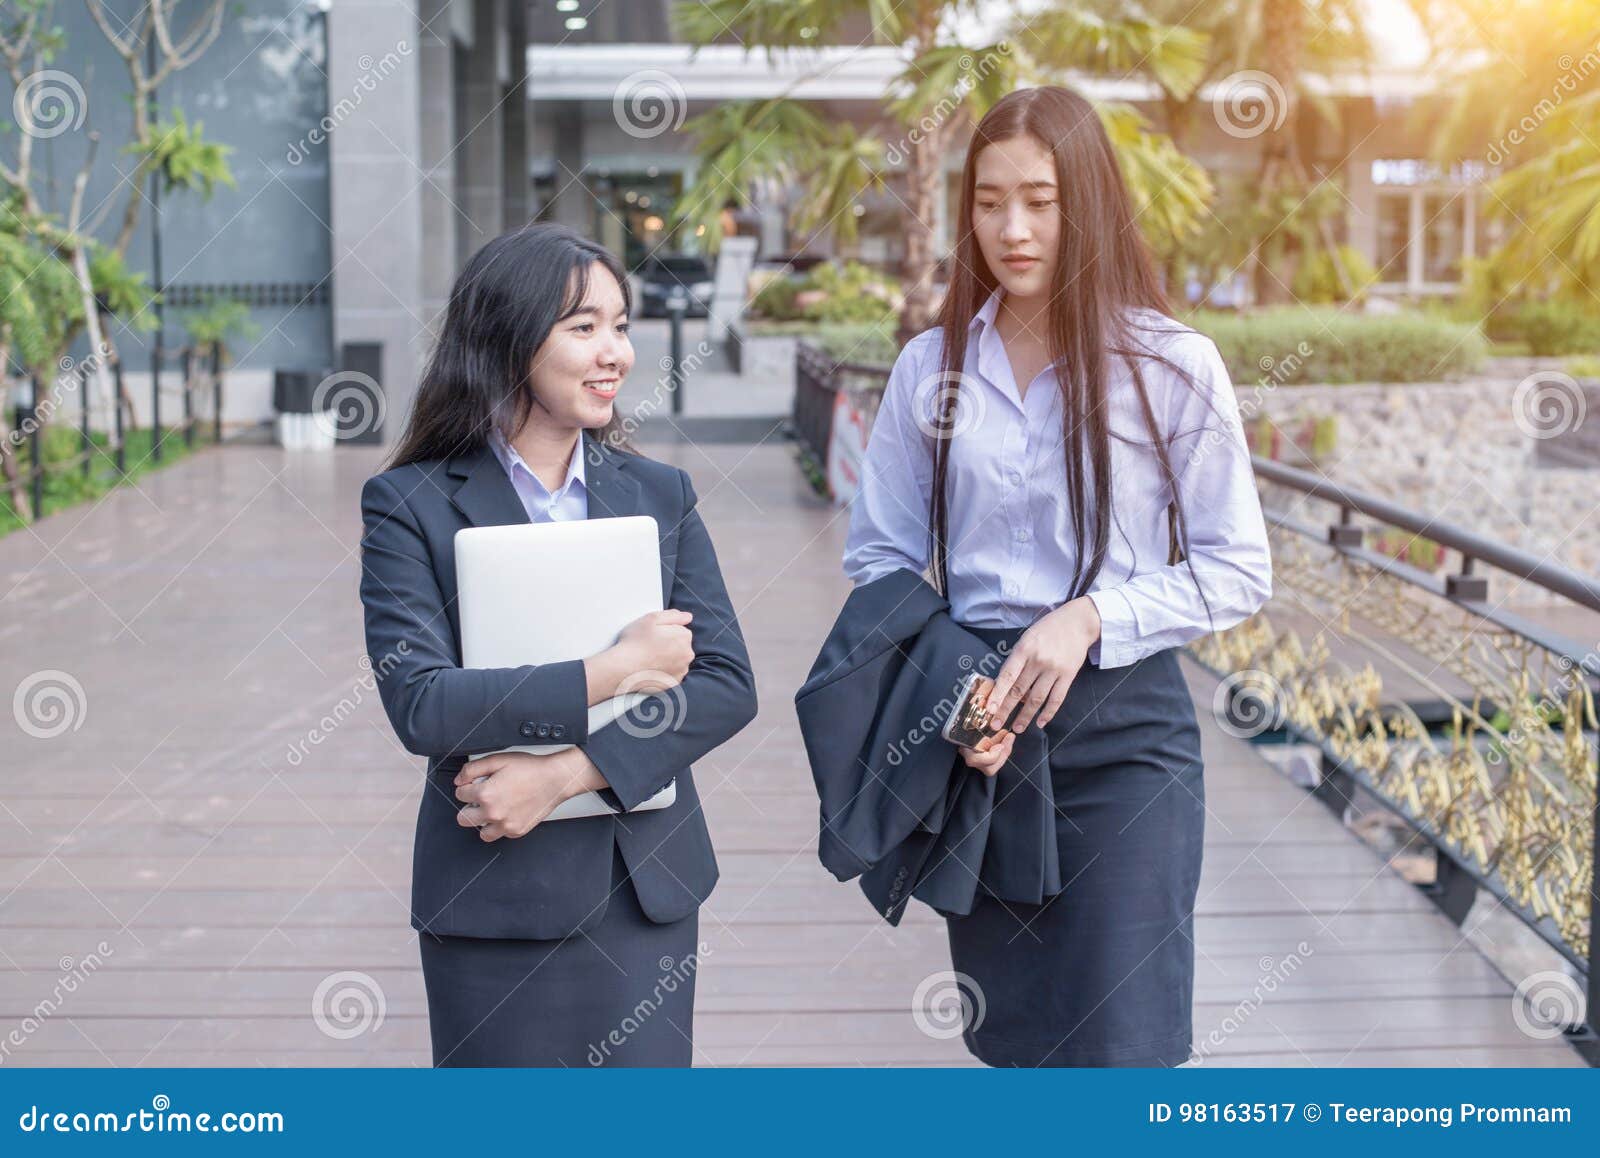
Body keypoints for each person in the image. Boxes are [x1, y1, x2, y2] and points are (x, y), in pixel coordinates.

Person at [841, 85, 1273, 1067]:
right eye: (989, 202)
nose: (1013, 230)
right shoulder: (930, 368)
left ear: (1088, 204)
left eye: (1040, 201)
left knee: (1125, 1040)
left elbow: (1237, 568)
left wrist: (1090, 617)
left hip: (1126, 738)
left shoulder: (1171, 366)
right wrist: (958, 696)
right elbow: (879, 559)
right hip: (981, 730)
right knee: (1019, 1040)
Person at [358, 222, 758, 1066]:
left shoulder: (659, 494)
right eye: (584, 327)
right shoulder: (408, 505)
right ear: (508, 338)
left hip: (641, 889)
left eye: (621, 325)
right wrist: (615, 669)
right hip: (494, 896)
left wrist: (569, 775)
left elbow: (725, 684)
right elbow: (423, 704)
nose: (615, 352)